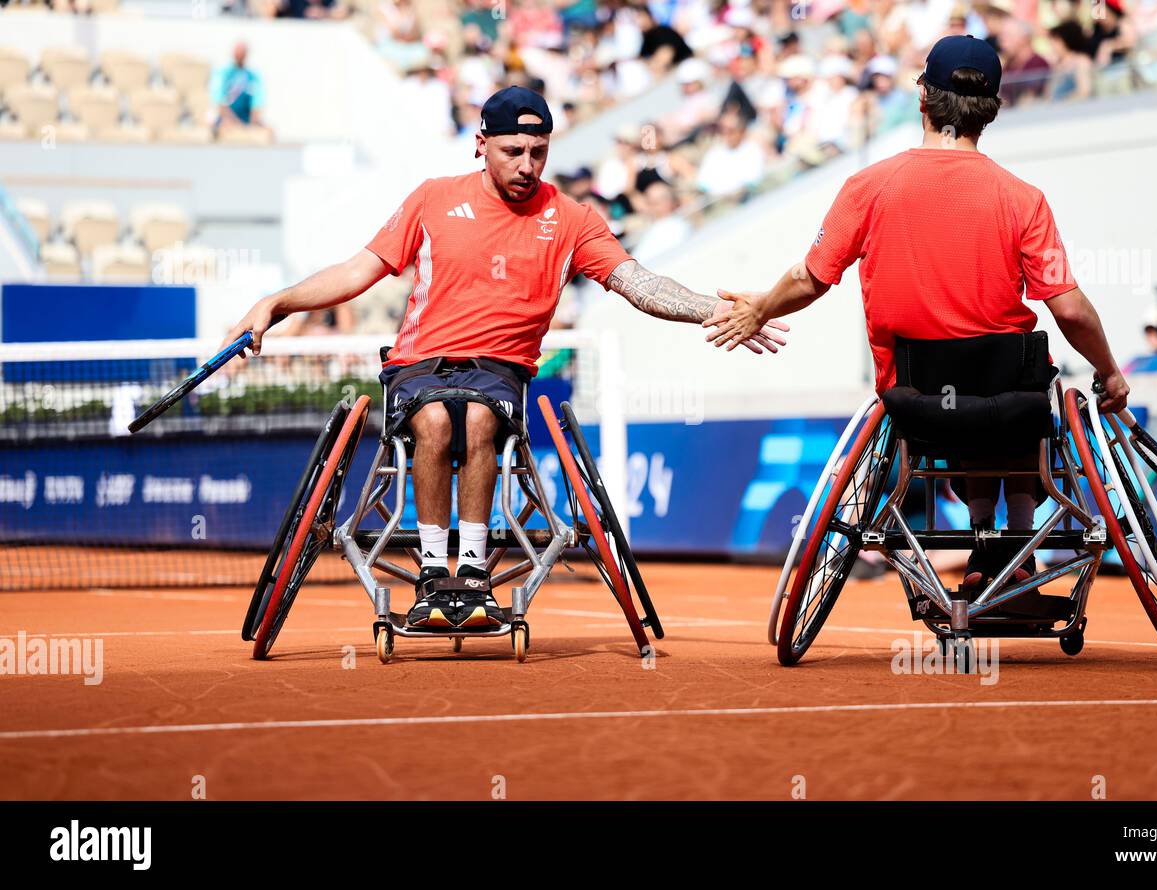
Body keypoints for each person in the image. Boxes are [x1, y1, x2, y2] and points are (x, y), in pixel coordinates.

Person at [223, 86, 788, 631]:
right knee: (438, 419)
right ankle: (432, 570)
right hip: (420, 362)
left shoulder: (571, 219)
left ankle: (470, 569)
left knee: (478, 417)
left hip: (500, 371)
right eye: (513, 151)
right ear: (480, 144)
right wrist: (278, 302)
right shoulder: (433, 198)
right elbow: (355, 273)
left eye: (538, 152)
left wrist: (716, 309)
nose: (527, 165)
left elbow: (640, 285)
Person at [704, 36, 1129, 599]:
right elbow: (1069, 308)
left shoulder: (869, 187)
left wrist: (759, 307)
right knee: (1019, 386)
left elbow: (811, 279)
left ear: (923, 99)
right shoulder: (1023, 198)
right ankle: (1018, 546)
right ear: (992, 111)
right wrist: (1110, 371)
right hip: (1008, 393)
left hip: (914, 391)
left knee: (969, 402)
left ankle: (985, 541)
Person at [210, 42, 267, 132]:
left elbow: (257, 103)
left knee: (267, 130)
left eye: (242, 53)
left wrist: (253, 122)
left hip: (246, 118)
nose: (240, 56)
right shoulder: (224, 73)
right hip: (226, 118)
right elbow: (219, 102)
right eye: (238, 53)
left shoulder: (252, 76)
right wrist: (235, 122)